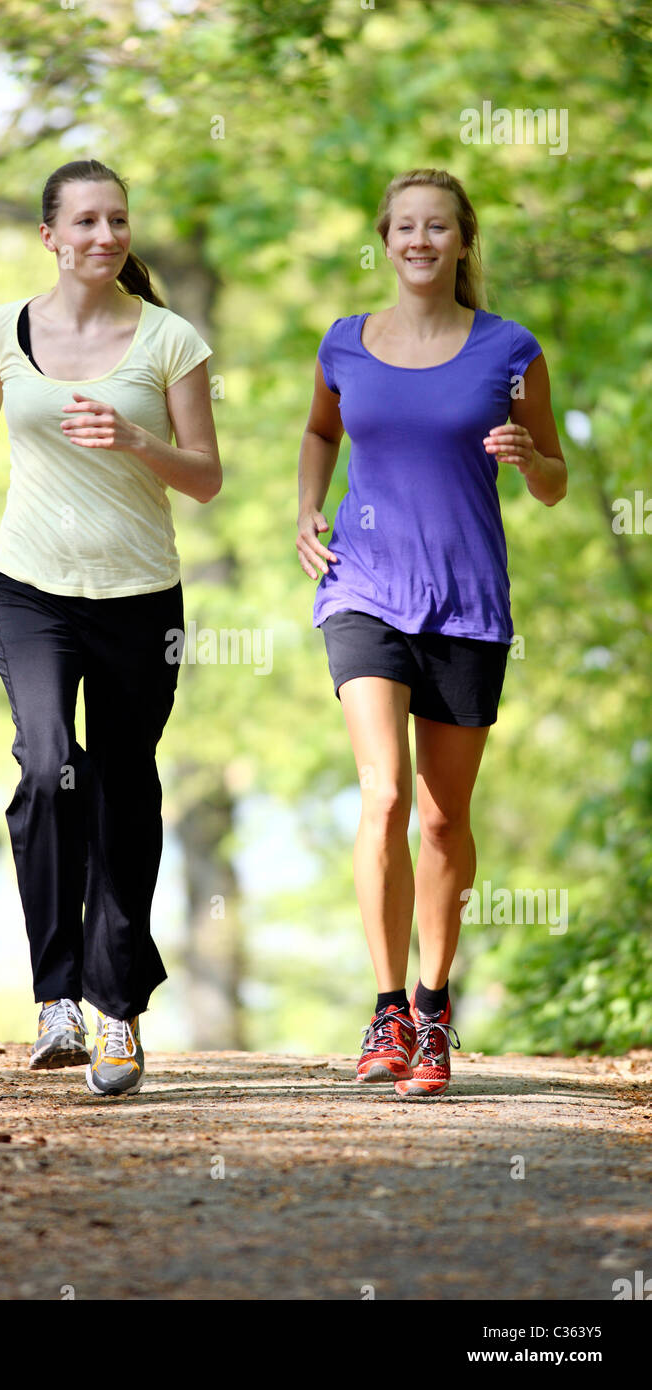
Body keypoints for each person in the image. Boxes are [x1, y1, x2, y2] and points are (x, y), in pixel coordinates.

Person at [0, 159, 220, 1096]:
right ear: (51, 237)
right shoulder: (2, 334)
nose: (106, 236)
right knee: (48, 765)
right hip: (30, 589)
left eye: (119, 221)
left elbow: (207, 476)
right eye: (87, 222)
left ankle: (118, 1015)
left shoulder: (172, 342)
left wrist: (140, 442)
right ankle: (56, 996)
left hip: (141, 596)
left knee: (124, 790)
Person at [296, 168, 567, 1099]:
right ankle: (382, 1009)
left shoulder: (510, 350)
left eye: (437, 227)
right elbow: (322, 433)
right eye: (404, 226)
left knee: (446, 815)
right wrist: (306, 510)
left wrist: (531, 456)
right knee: (383, 797)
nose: (419, 240)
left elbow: (556, 479)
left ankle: (432, 1006)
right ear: (385, 237)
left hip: (467, 603)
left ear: (463, 242)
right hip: (362, 591)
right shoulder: (345, 343)